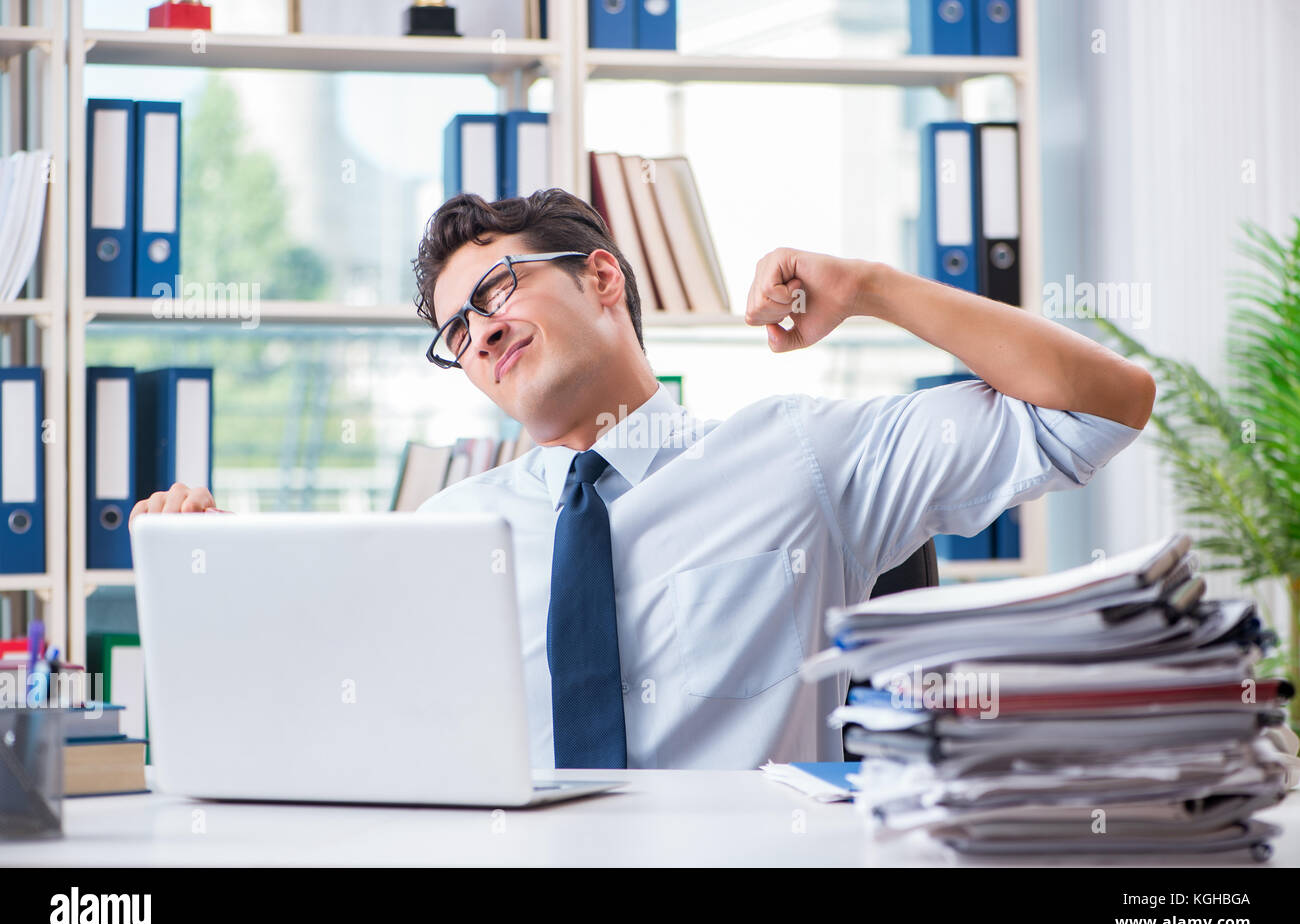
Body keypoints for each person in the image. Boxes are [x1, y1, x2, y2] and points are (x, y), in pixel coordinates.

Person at [129, 188, 1155, 771]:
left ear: (603, 278)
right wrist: (209, 579)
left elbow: (1102, 405)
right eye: (453, 330)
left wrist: (874, 289)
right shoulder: (444, 531)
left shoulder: (799, 458)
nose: (479, 332)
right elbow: (320, 735)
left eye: (497, 289)